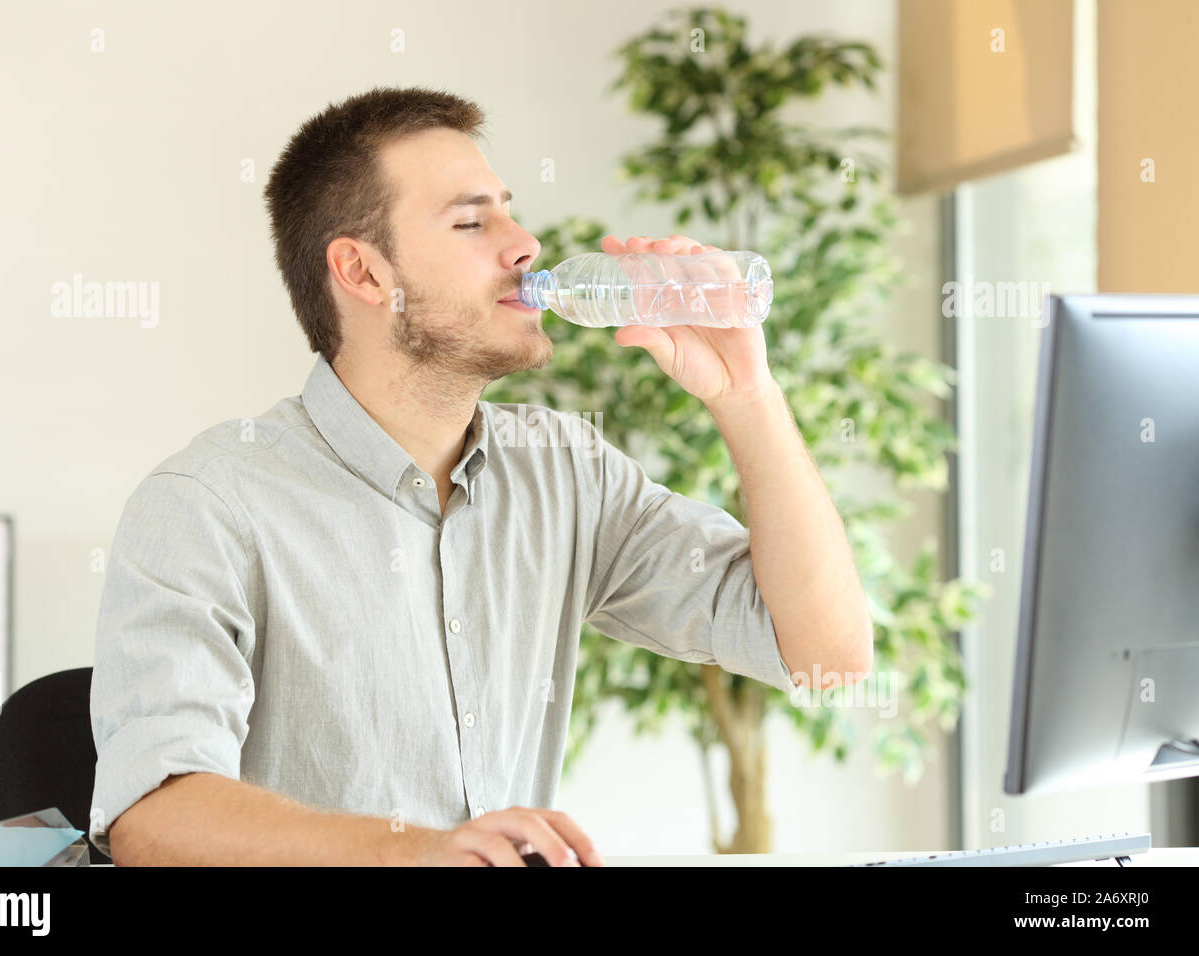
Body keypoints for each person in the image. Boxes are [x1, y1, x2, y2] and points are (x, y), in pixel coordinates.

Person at [89, 85, 872, 867]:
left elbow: (826, 656)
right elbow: (154, 816)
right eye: (471, 222)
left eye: (508, 210)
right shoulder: (208, 505)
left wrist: (747, 396)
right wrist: (419, 854)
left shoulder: (566, 472)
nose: (525, 244)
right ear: (362, 273)